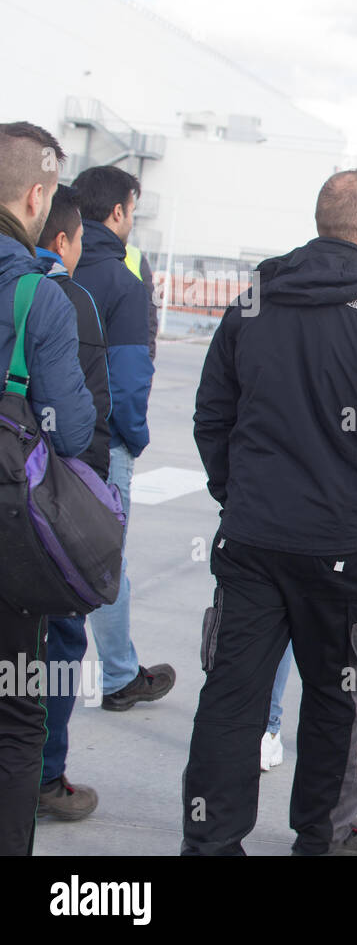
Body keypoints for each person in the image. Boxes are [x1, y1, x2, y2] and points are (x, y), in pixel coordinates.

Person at [184, 168, 357, 856]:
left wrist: (236, 493)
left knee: (231, 695)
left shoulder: (255, 301)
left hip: (252, 535)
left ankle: (210, 842)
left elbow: (212, 413)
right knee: (333, 695)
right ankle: (322, 836)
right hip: (338, 542)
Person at [260, 241, 357, 772]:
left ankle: (266, 727)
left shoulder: (275, 301)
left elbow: (219, 408)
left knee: (275, 617)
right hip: (350, 516)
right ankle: (345, 725)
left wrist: (232, 489)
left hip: (271, 504)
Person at [0, 121, 96, 855]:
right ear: (37, 197)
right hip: (9, 536)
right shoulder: (39, 295)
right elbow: (70, 430)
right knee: (13, 715)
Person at [68, 164, 173, 711]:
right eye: (132, 210)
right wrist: (134, 437)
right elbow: (130, 377)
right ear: (117, 212)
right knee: (106, 562)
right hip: (104, 442)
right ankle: (117, 676)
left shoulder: (50, 266)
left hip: (42, 437)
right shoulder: (123, 280)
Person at [32, 185, 111, 820]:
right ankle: (45, 775)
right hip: (53, 496)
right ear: (61, 239)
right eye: (80, 238)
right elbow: (84, 422)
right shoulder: (69, 299)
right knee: (61, 637)